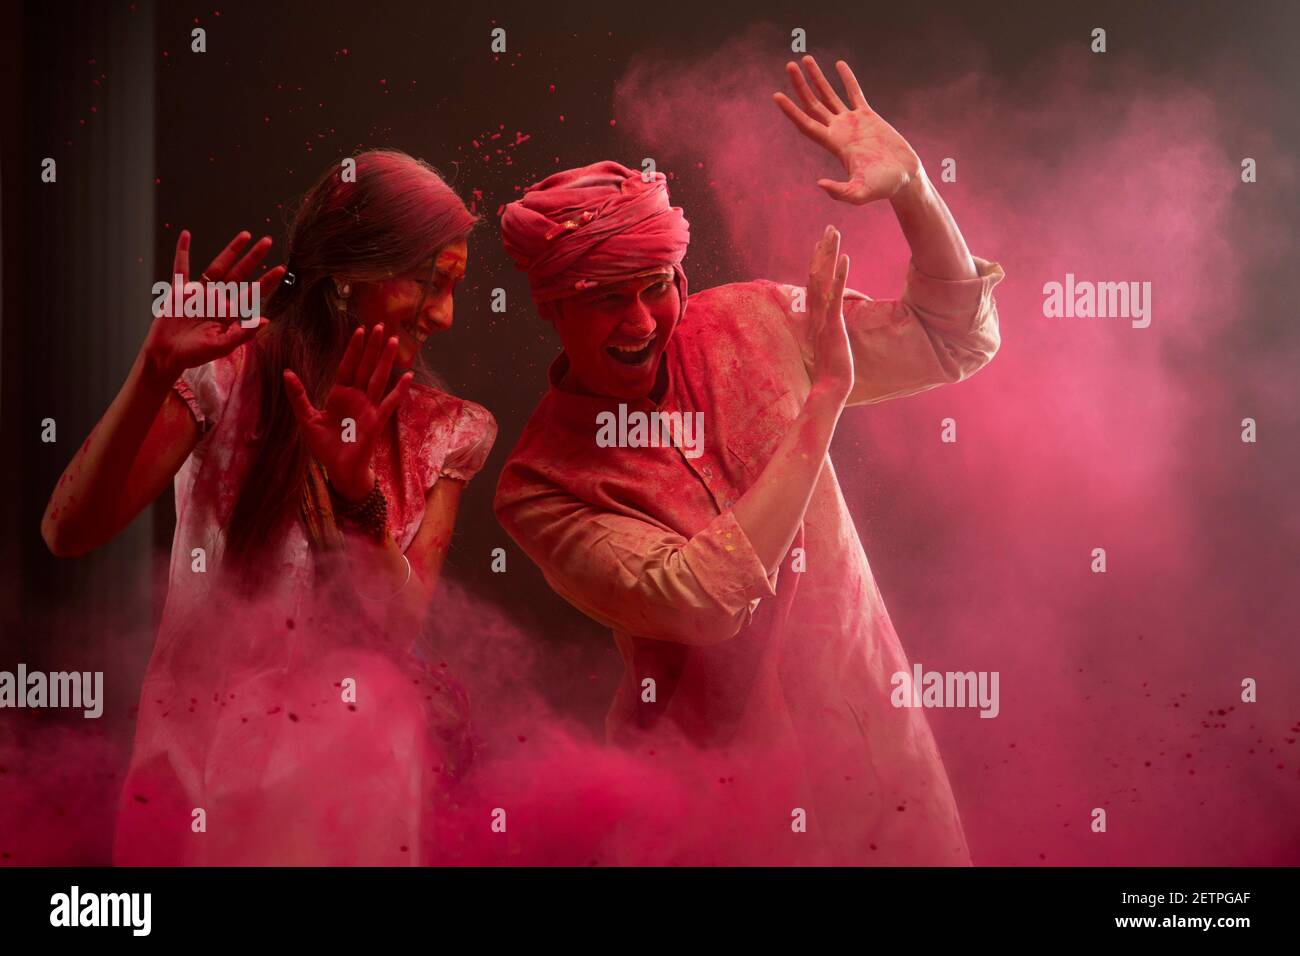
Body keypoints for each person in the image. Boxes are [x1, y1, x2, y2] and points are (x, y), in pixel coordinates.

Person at [494, 57, 1004, 864]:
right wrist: (823, 402)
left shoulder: (755, 320)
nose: (640, 320)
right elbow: (703, 602)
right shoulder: (539, 485)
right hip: (716, 817)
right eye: (604, 297)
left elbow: (955, 338)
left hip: (881, 772)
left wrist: (913, 189)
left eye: (656, 286)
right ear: (551, 306)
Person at [42, 149, 496, 865]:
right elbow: (67, 530)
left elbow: (397, 631)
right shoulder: (226, 375)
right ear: (351, 272)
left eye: (455, 288)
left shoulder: (448, 430)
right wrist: (152, 372)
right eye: (427, 283)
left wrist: (356, 498)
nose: (444, 314)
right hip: (199, 775)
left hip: (354, 798)